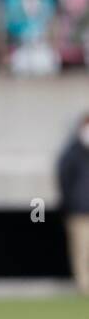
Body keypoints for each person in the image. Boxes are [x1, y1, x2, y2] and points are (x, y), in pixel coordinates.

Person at [57, 114, 89, 294]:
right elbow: (65, 179)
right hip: (79, 211)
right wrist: (71, 203)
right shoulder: (73, 152)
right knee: (81, 251)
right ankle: (84, 288)